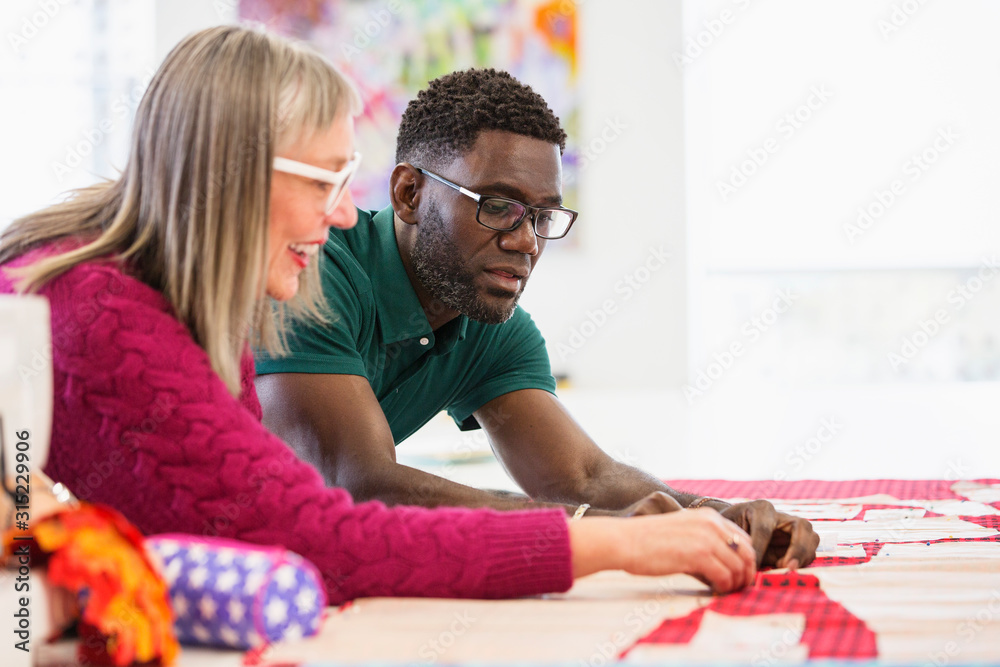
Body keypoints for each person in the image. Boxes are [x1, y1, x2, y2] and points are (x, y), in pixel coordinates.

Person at [0, 26, 758, 603]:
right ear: (234, 173)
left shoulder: (202, 313)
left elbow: (218, 531)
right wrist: (604, 542)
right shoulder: (104, 311)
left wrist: (706, 518)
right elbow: (319, 527)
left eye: (541, 216)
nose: (338, 216)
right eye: (325, 181)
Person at [254, 68, 820, 571]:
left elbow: (583, 478)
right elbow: (353, 482)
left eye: (542, 215)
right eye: (497, 206)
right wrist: (600, 534)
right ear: (409, 193)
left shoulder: (492, 323)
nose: (526, 240)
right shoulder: (315, 268)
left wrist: (720, 519)